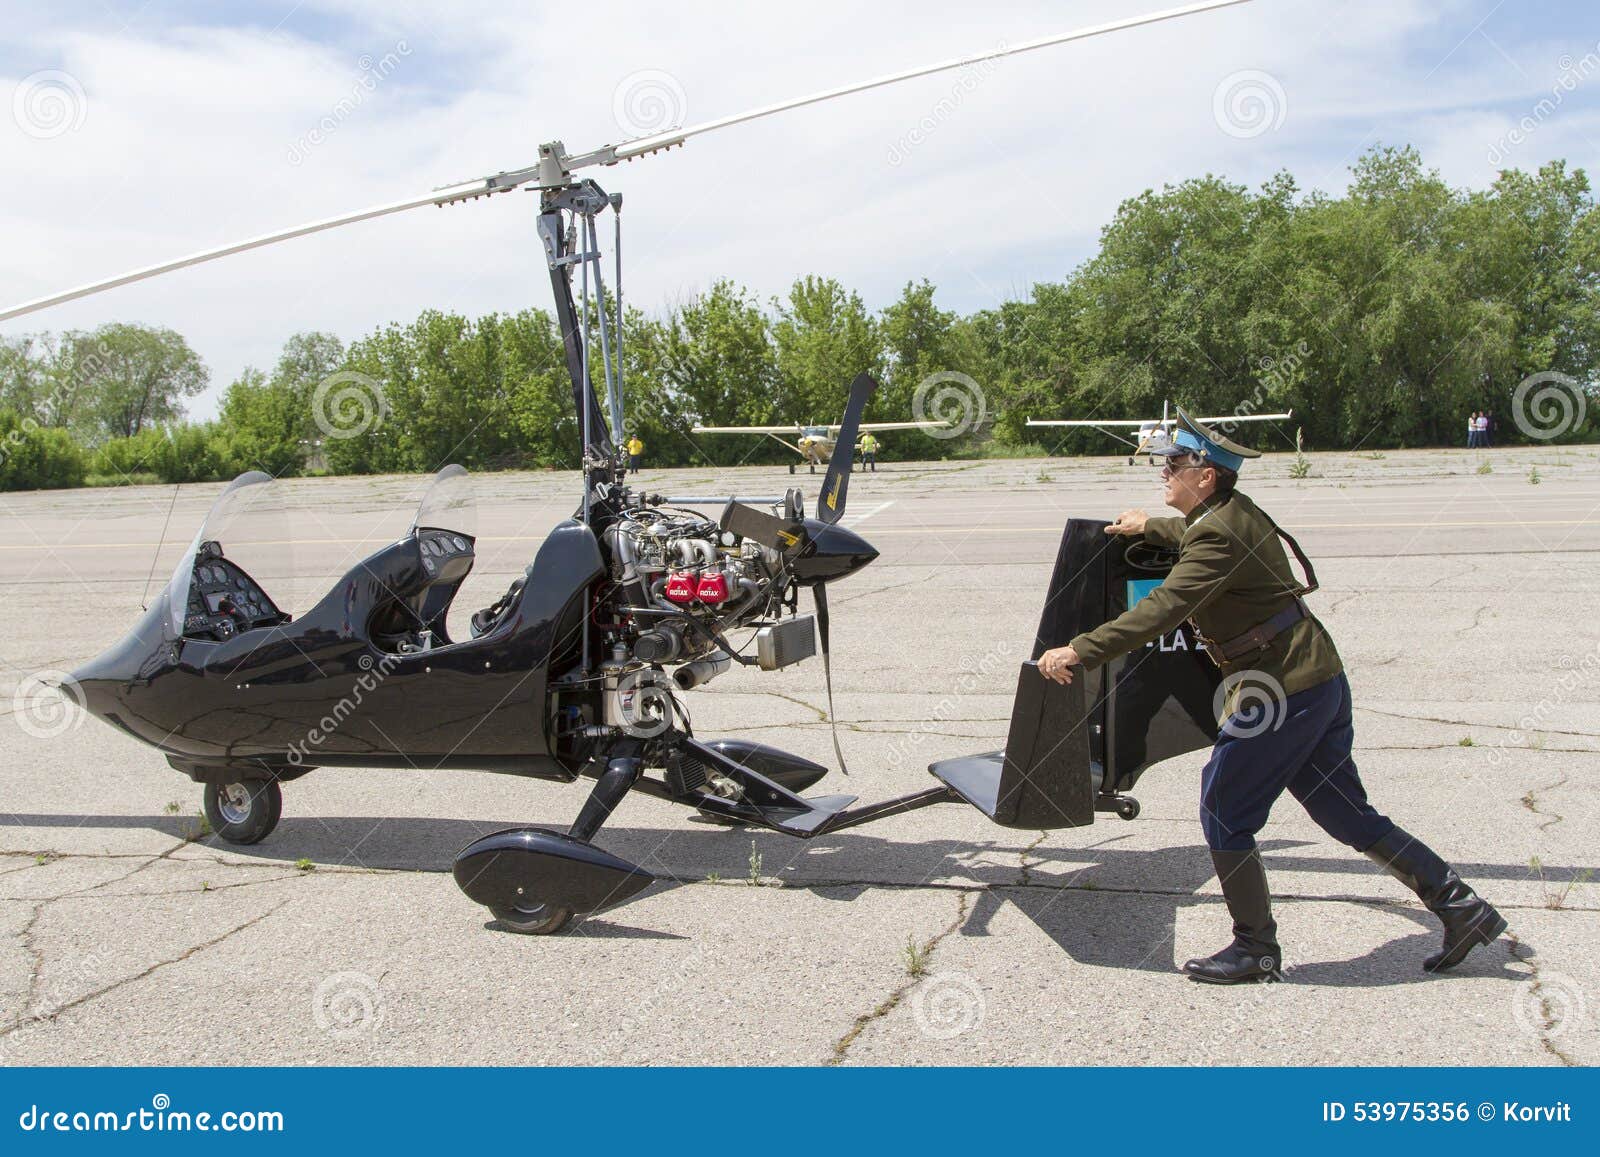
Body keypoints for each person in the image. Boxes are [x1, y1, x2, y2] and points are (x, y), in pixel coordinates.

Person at [1037, 408, 1505, 984]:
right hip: (1316, 679)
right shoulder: (1230, 512)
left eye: (1174, 465)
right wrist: (1149, 526)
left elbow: (1163, 608)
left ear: (1205, 475)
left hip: (1278, 690)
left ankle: (1255, 948)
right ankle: (1461, 907)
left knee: (1223, 808)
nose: (1164, 472)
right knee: (1344, 812)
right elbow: (1192, 533)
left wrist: (1078, 650)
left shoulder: (1216, 533)